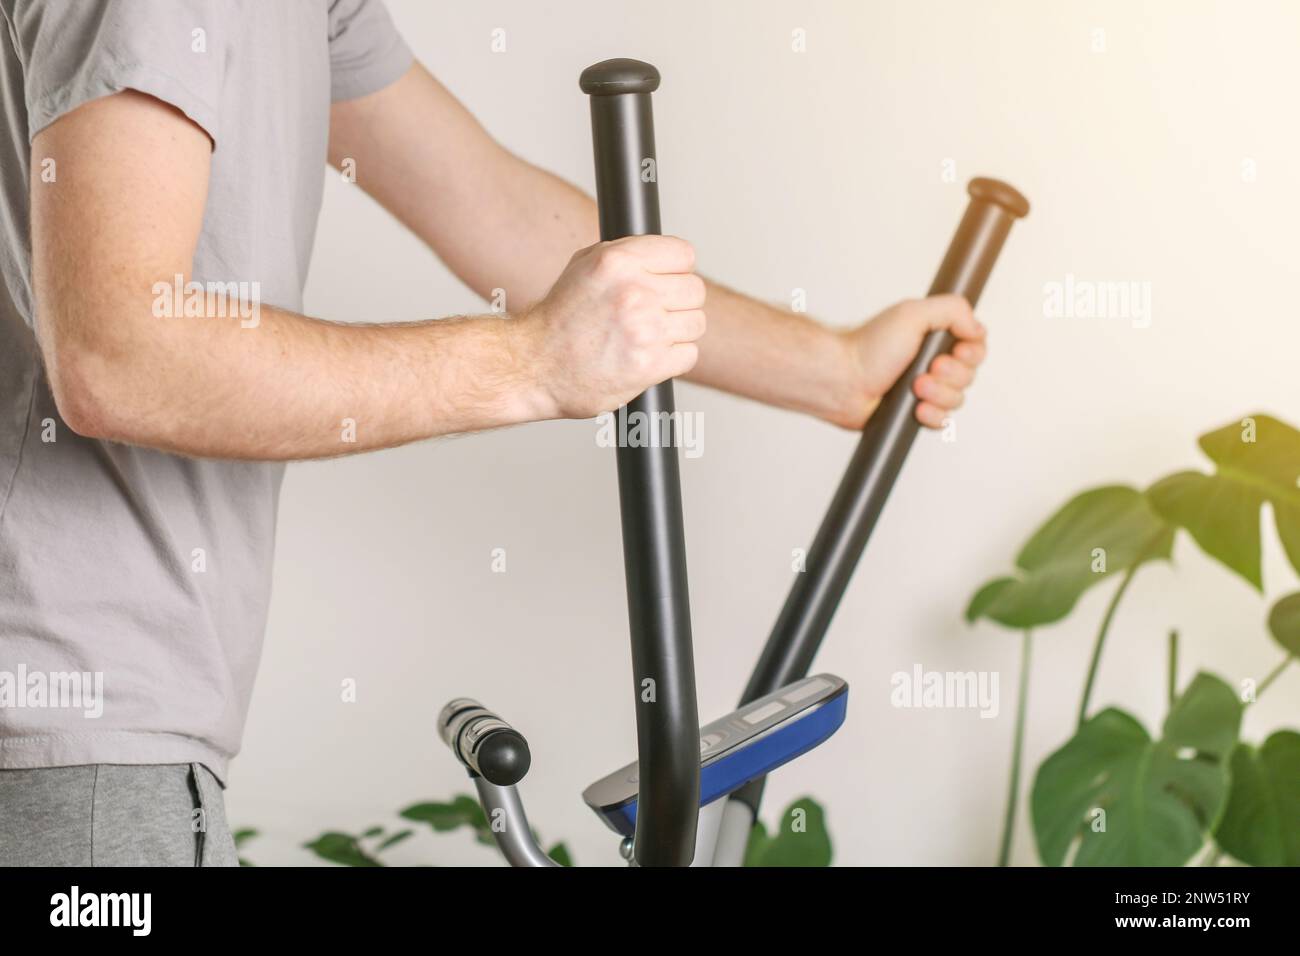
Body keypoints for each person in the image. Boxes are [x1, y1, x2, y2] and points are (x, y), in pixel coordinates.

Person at [0, 0, 987, 866]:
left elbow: (494, 210)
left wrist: (833, 366)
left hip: (113, 734)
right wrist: (533, 362)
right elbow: (119, 353)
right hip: (71, 726)